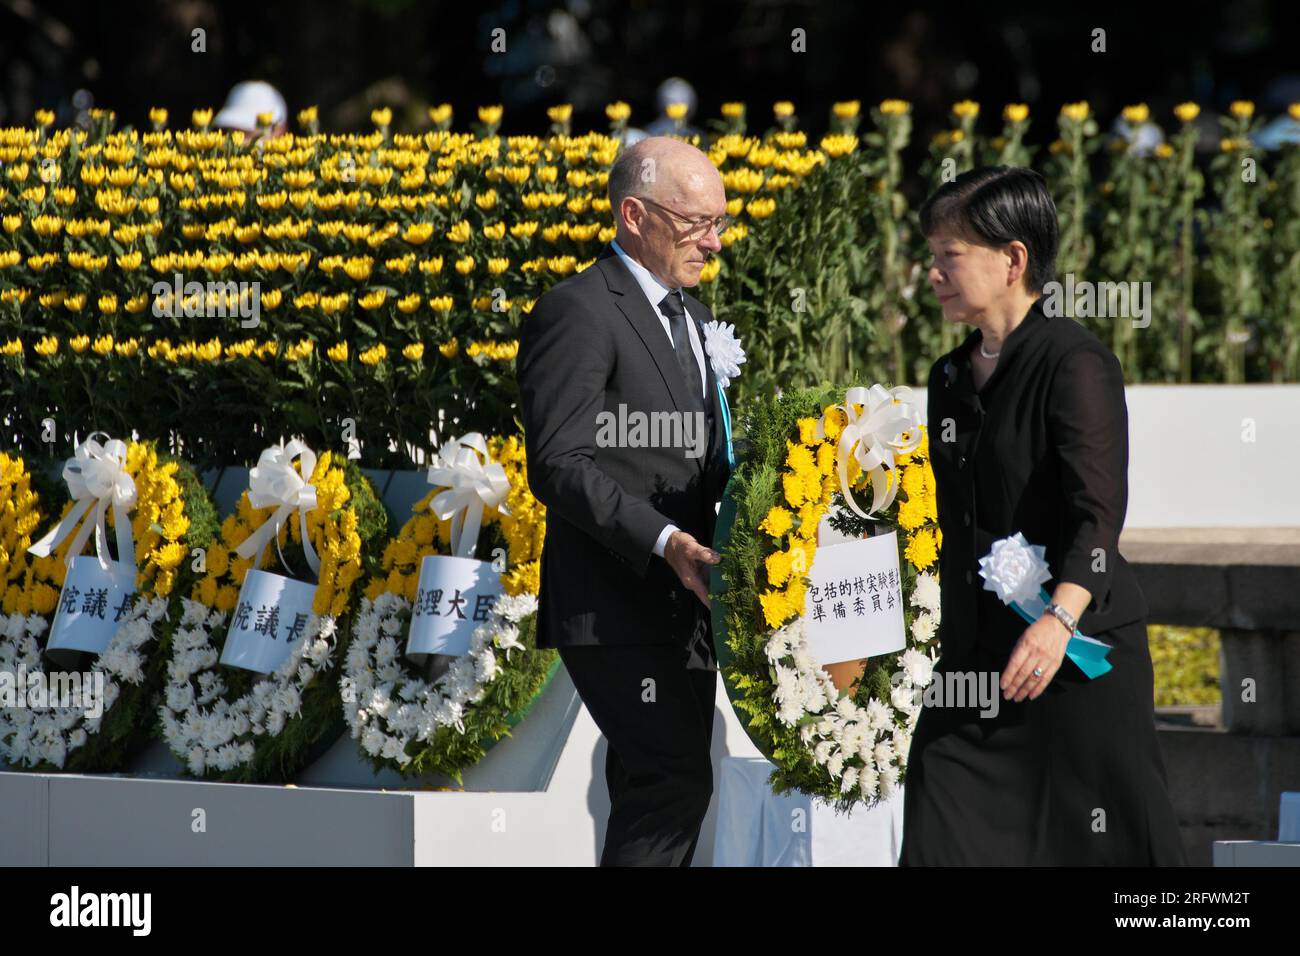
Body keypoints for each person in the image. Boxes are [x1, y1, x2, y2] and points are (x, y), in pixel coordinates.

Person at [899, 165, 1187, 865]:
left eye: (949, 255)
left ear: (1013, 261)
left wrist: (1060, 621)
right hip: (976, 674)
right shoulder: (947, 377)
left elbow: (1098, 517)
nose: (929, 273)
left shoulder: (1076, 363)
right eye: (930, 255)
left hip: (1075, 664)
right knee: (938, 831)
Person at [516, 136, 734, 866]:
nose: (714, 242)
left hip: (684, 605)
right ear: (634, 215)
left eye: (721, 223)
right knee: (669, 781)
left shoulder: (695, 319)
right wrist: (665, 541)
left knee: (658, 785)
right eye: (697, 222)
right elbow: (558, 463)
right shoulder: (579, 309)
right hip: (617, 604)